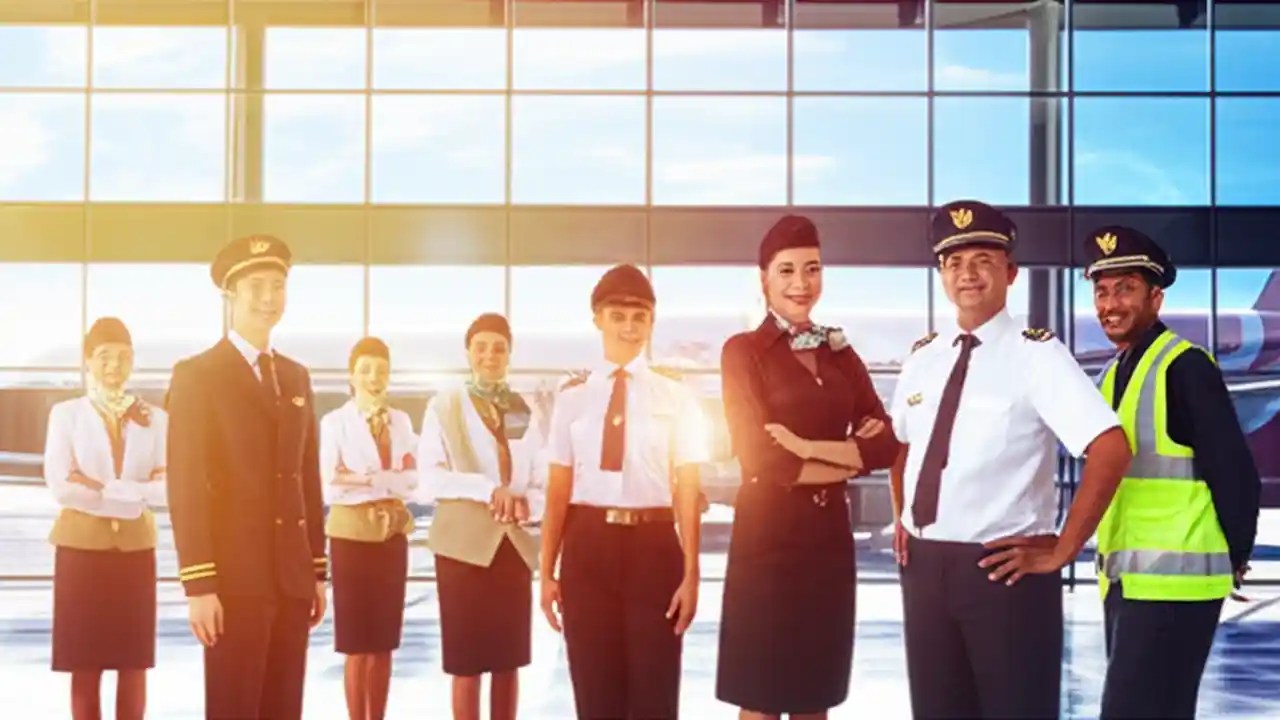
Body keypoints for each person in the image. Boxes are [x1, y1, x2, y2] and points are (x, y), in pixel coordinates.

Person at [889, 200, 1132, 719]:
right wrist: (902, 518)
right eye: (953, 263)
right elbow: (903, 445)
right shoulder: (923, 357)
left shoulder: (1037, 355)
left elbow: (1110, 447)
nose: (967, 273)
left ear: (1011, 272)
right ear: (941, 274)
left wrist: (1065, 548)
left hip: (1002, 571)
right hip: (925, 570)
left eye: (982, 259)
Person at [715, 215, 900, 720]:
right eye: (787, 271)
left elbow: (886, 441)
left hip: (828, 541)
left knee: (816, 691)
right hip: (767, 539)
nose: (801, 284)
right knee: (762, 693)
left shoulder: (840, 353)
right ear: (764, 280)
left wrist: (806, 447)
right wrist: (846, 457)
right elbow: (758, 457)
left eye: (812, 269)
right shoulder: (743, 352)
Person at [1083, 225, 1261, 719]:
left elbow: (1233, 468)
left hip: (1174, 583)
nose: (1110, 303)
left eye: (1125, 289)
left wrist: (1238, 551)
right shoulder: (1114, 374)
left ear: (1155, 297)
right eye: (1101, 291)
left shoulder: (1184, 366)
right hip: (1129, 581)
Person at [165, 234, 328, 720]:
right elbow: (187, 485)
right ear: (230, 295)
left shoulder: (296, 376)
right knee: (235, 708)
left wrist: (316, 571)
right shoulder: (198, 375)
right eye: (256, 285)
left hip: (291, 580)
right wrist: (199, 585)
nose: (268, 297)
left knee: (284, 710)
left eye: (278, 285)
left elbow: (306, 479)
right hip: (233, 582)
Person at [539, 264, 706, 720]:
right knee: (595, 695)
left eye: (640, 316)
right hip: (587, 548)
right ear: (598, 319)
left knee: (654, 695)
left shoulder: (676, 398)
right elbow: (559, 489)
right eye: (618, 315)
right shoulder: (572, 398)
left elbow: (687, 490)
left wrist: (692, 574)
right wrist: (546, 571)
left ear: (652, 322)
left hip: (654, 550)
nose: (630, 327)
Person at [419, 312, 545, 720]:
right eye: (481, 347)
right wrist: (487, 489)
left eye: (499, 347)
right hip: (462, 550)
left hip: (512, 547)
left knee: (509, 662)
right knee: (467, 662)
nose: (490, 355)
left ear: (509, 353)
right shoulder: (445, 404)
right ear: (468, 352)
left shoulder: (521, 407)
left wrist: (529, 504)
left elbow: (539, 476)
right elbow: (431, 478)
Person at [44, 317, 167, 720]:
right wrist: (133, 491)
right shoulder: (67, 414)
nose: (114, 365)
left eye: (123, 356)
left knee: (134, 662)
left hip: (135, 550)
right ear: (87, 361)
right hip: (81, 552)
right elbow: (61, 485)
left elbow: (167, 486)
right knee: (85, 662)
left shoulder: (156, 418)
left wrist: (103, 488)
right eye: (104, 357)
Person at [320, 336, 418, 720]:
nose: (373, 377)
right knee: (357, 644)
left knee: (384, 642)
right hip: (351, 541)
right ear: (351, 376)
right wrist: (385, 479)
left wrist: (361, 477)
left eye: (381, 369)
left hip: (391, 538)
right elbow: (329, 482)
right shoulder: (335, 422)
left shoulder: (401, 421)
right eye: (365, 370)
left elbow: (414, 480)